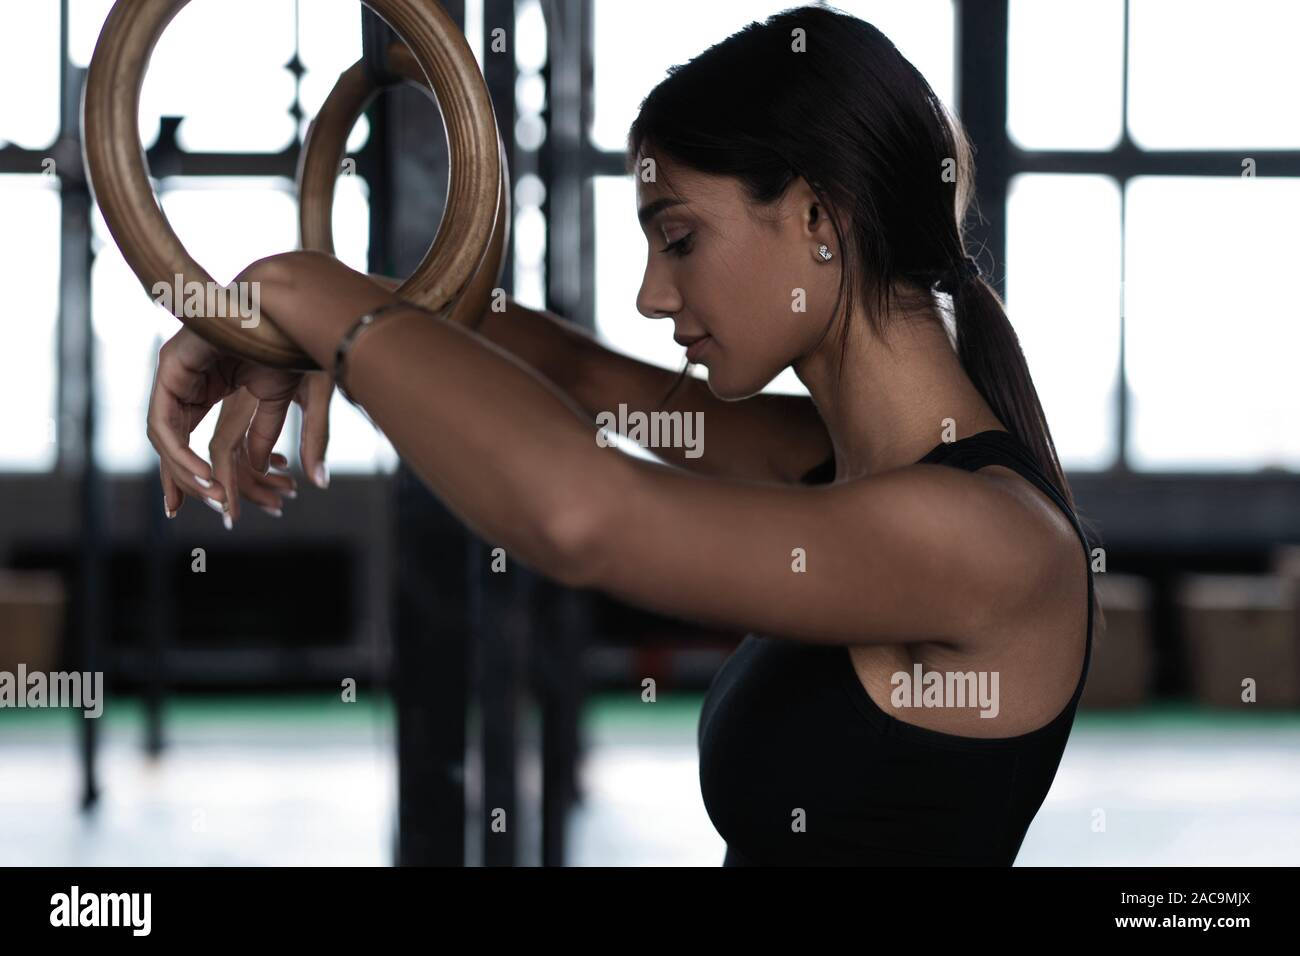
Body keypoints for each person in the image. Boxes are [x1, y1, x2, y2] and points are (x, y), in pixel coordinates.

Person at [146, 5, 1096, 865]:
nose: (651, 295)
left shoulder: (982, 538)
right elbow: (582, 377)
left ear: (817, 217)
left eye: (678, 238)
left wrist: (304, 291)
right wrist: (294, 326)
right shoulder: (824, 461)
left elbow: (584, 513)